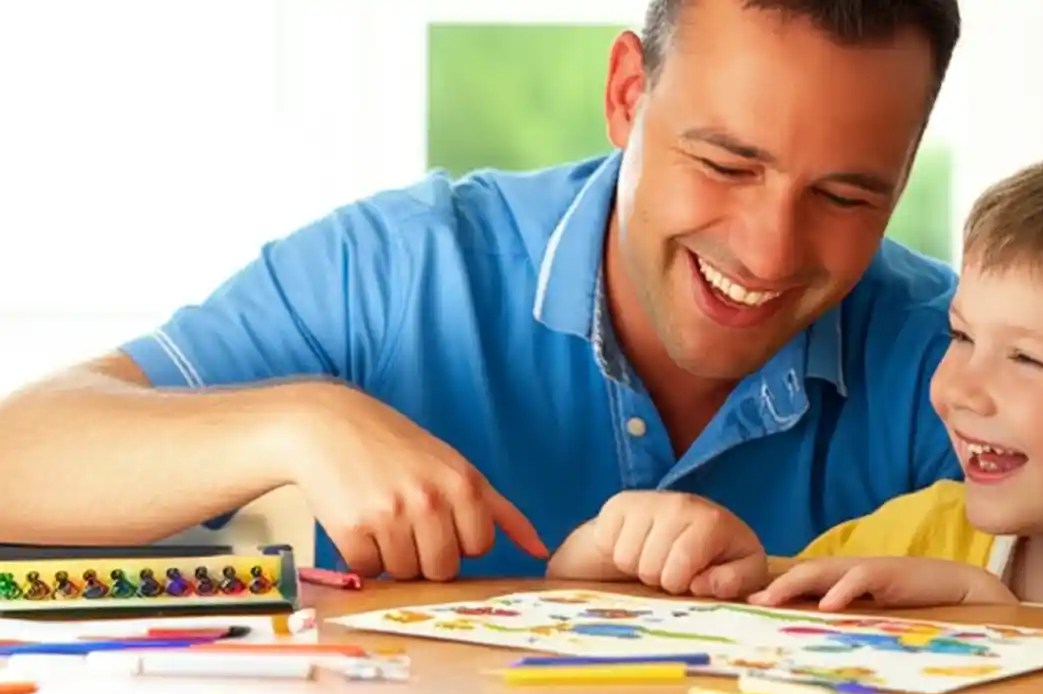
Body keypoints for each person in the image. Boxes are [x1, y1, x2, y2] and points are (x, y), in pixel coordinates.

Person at [0, 0, 964, 581]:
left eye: (845, 194)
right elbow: (16, 458)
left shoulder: (957, 357)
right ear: (628, 94)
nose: (767, 251)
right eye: (723, 163)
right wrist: (296, 421)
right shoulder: (399, 269)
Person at [549, 132, 1043, 621]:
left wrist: (998, 626)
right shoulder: (918, 530)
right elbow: (730, 625)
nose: (956, 388)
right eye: (960, 336)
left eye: (1025, 358)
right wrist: (617, 551)